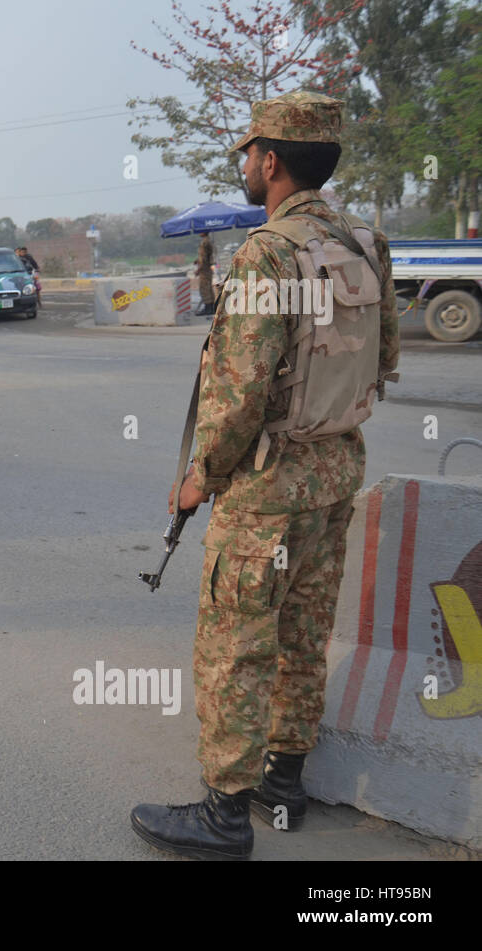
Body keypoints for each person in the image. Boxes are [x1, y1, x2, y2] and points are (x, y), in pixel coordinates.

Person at [129, 91, 399, 859]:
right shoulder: (365, 242)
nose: (247, 166)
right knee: (303, 633)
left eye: (249, 154)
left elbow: (237, 394)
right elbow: (385, 363)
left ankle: (222, 815)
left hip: (270, 485)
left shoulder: (268, 253)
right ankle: (284, 781)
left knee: (237, 642)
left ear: (272, 160)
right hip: (336, 471)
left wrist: (199, 479)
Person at [194, 231, 215, 315]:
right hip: (208, 269)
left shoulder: (204, 243)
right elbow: (206, 256)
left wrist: (198, 270)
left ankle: (208, 308)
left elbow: (203, 259)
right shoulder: (208, 241)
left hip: (204, 270)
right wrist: (197, 261)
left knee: (204, 289)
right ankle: (212, 307)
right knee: (208, 288)